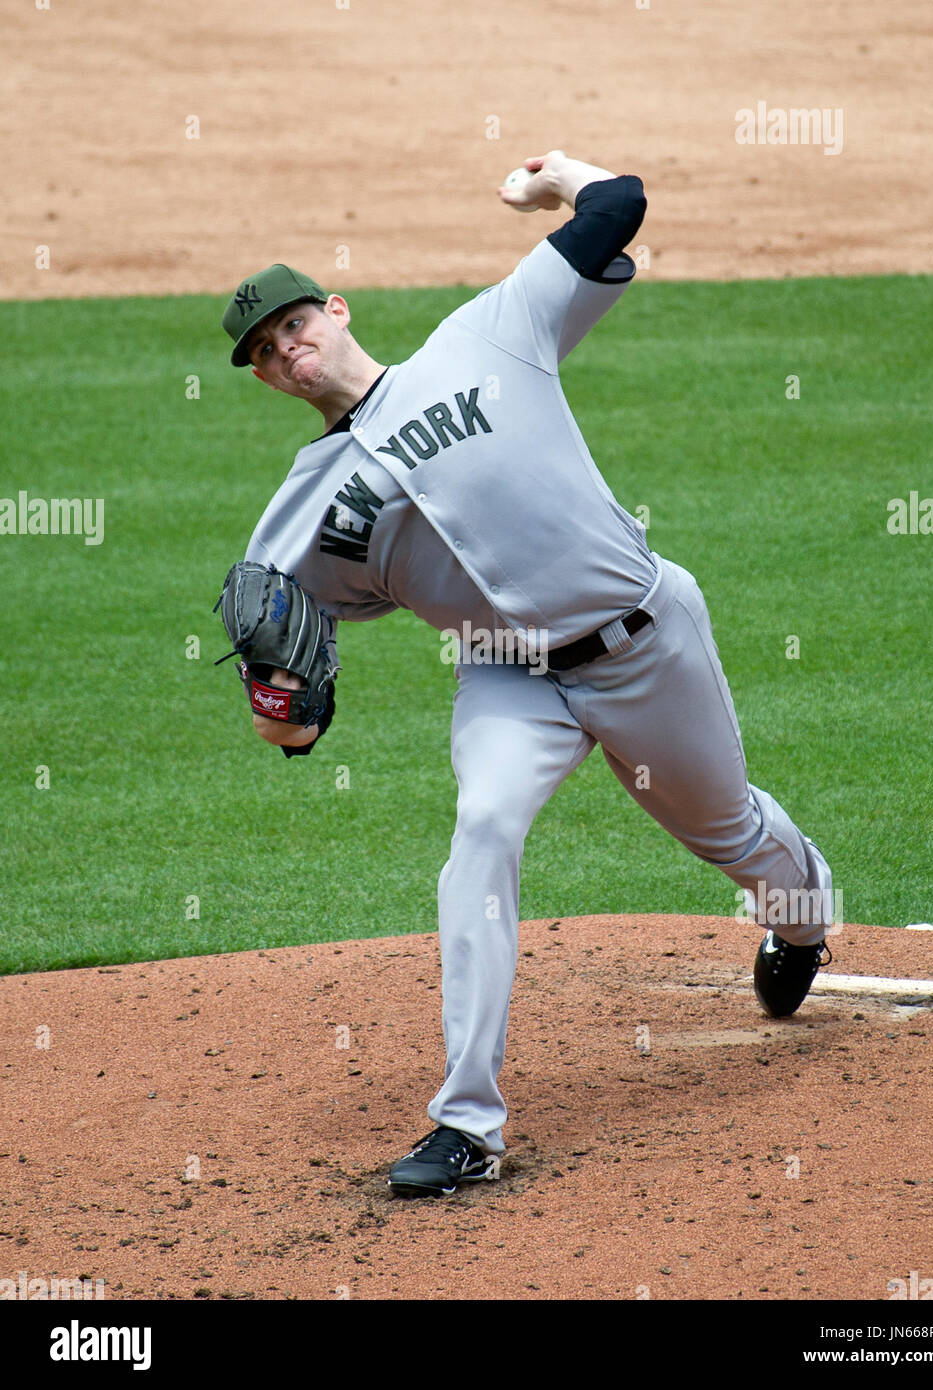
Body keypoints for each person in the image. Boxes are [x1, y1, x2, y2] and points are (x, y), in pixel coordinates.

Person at [220, 149, 835, 1199]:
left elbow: (619, 209)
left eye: (294, 324)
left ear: (334, 309)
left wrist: (562, 178)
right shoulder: (301, 510)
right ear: (268, 379)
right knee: (482, 830)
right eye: (268, 353)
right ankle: (467, 1124)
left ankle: (802, 913)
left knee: (727, 830)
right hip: (506, 681)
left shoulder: (484, 335)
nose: (288, 350)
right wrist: (286, 723)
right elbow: (285, 689)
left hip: (643, 639)